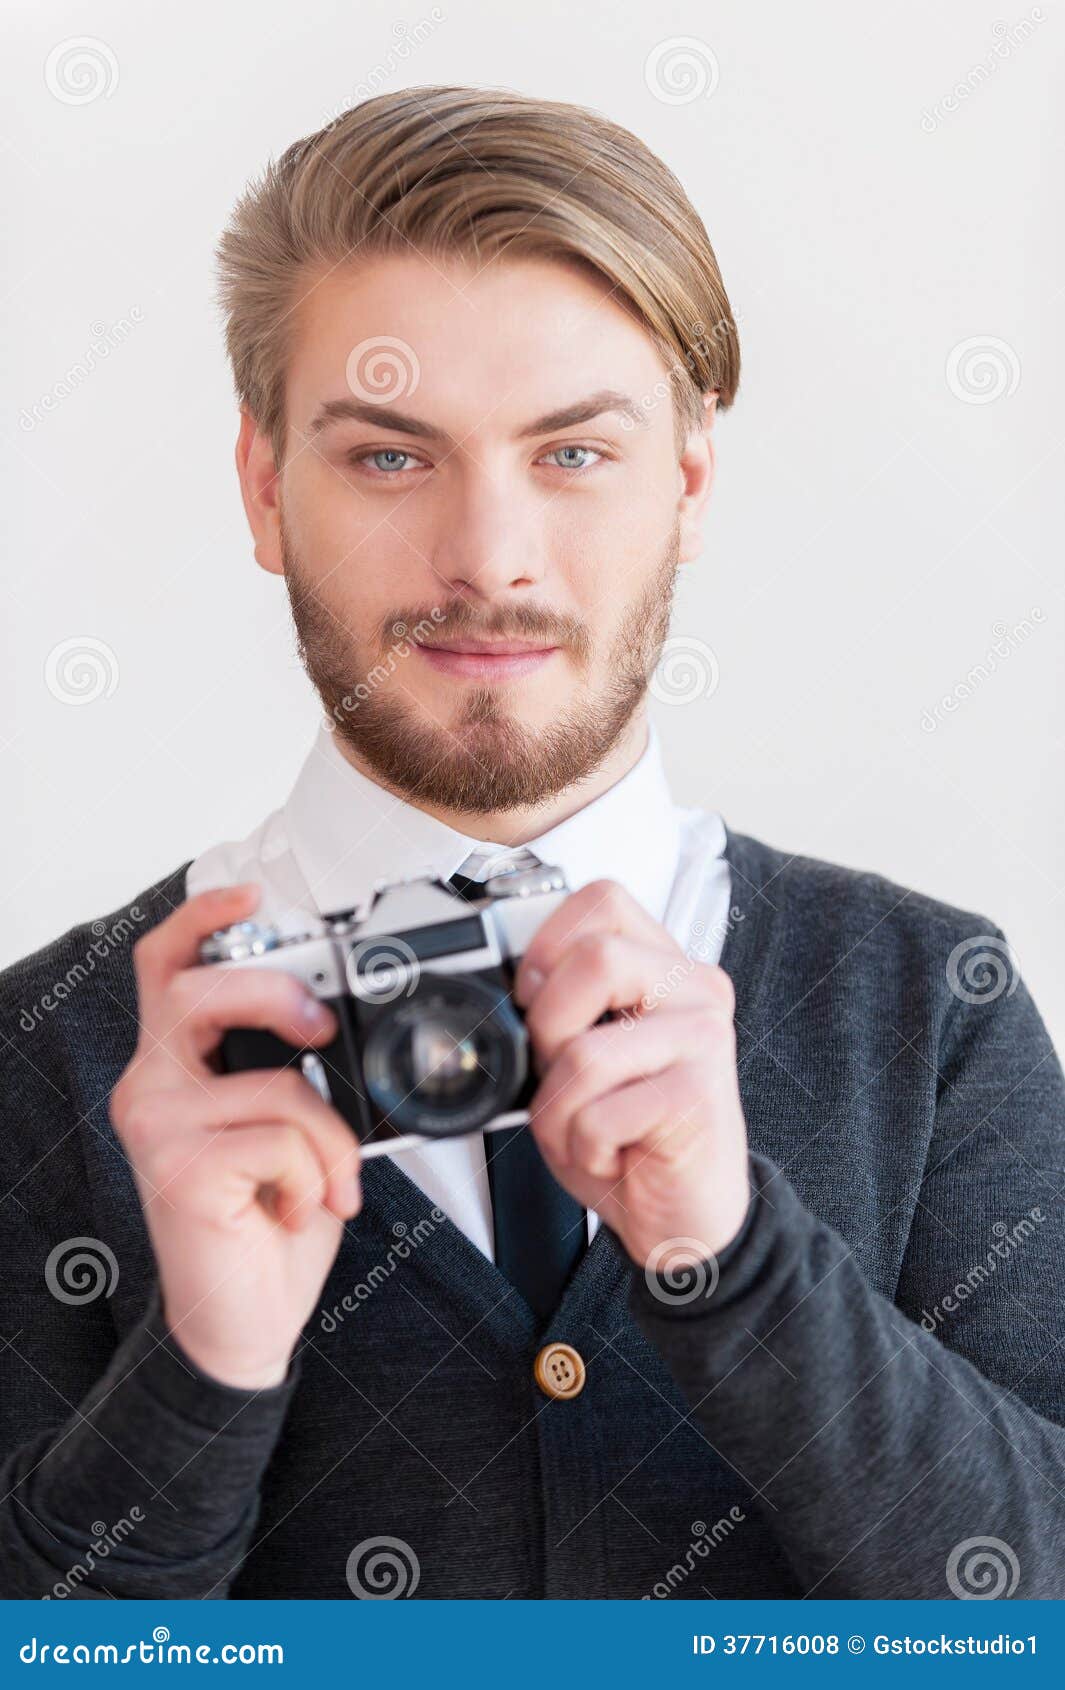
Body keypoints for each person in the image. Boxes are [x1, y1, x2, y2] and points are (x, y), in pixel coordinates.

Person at [1, 84, 1062, 1603]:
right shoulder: (51, 1054)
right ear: (262, 488)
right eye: (386, 456)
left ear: (687, 483)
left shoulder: (928, 1002)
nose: (487, 557)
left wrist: (736, 1254)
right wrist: (203, 1366)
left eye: (571, 455)